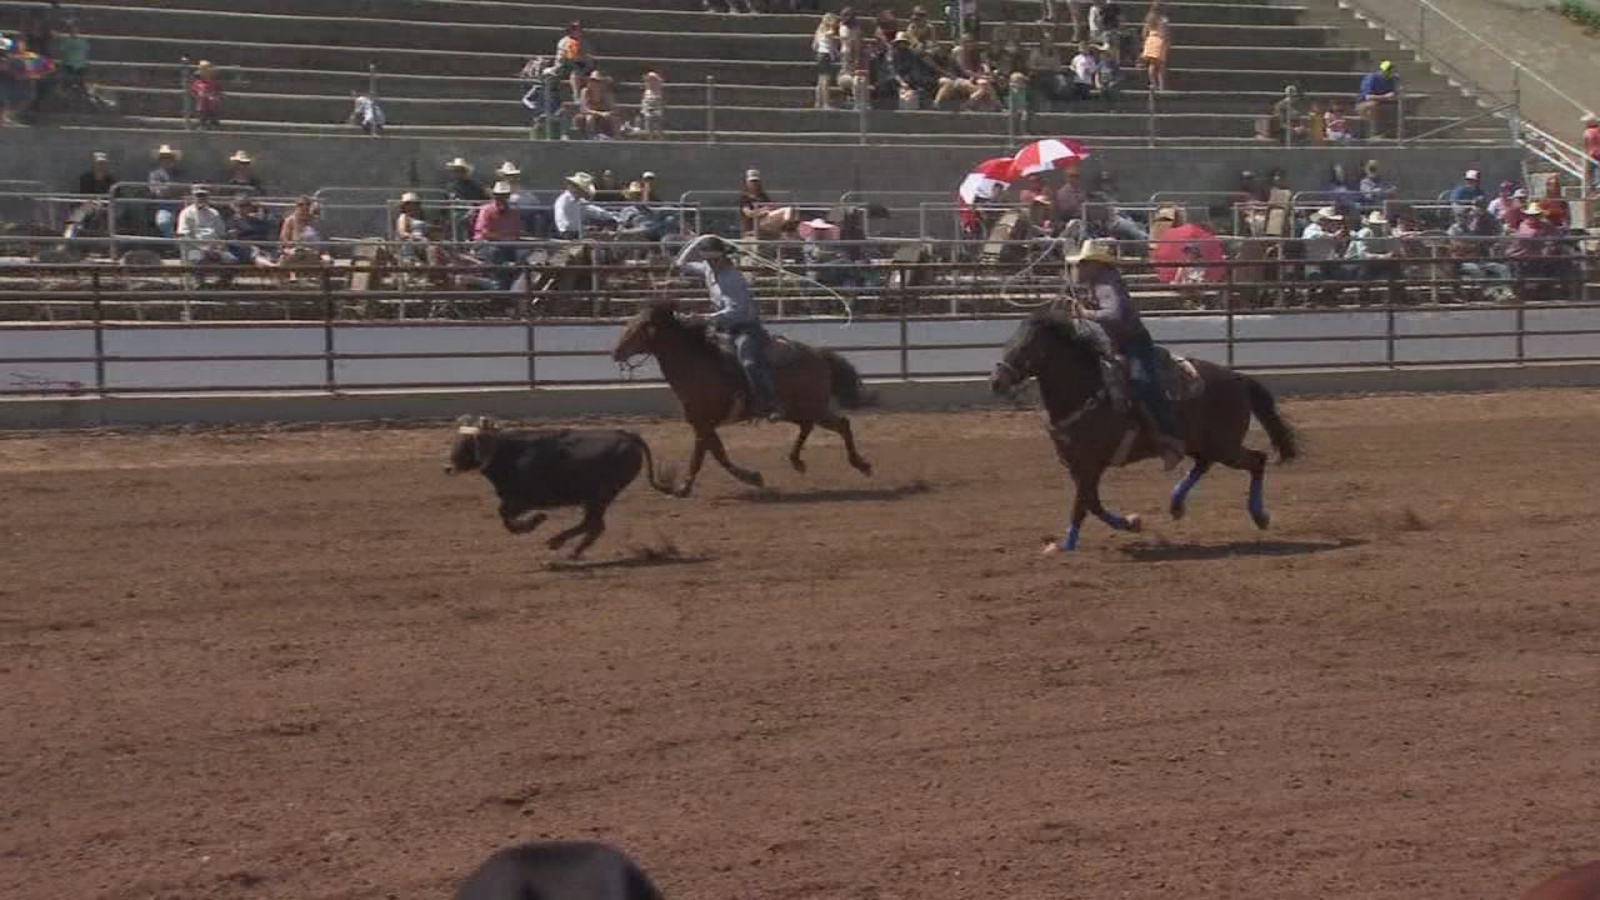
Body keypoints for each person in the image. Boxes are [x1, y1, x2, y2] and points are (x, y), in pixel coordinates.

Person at [1067, 238, 1185, 469]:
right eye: (1077, 264)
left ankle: (1171, 437)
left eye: (1082, 264)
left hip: (1133, 343)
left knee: (1144, 384)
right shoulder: (1096, 283)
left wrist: (1085, 313)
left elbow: (1114, 315)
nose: (1077, 269)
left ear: (1096, 264)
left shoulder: (1107, 284)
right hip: (1114, 343)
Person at [673, 234, 785, 420]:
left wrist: (703, 318)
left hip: (745, 327)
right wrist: (695, 243)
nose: (710, 264)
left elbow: (736, 311)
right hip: (723, 327)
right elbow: (680, 264)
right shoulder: (709, 270)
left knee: (749, 361)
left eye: (713, 260)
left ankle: (769, 403)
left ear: (723, 257)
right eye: (707, 260)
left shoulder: (733, 278)